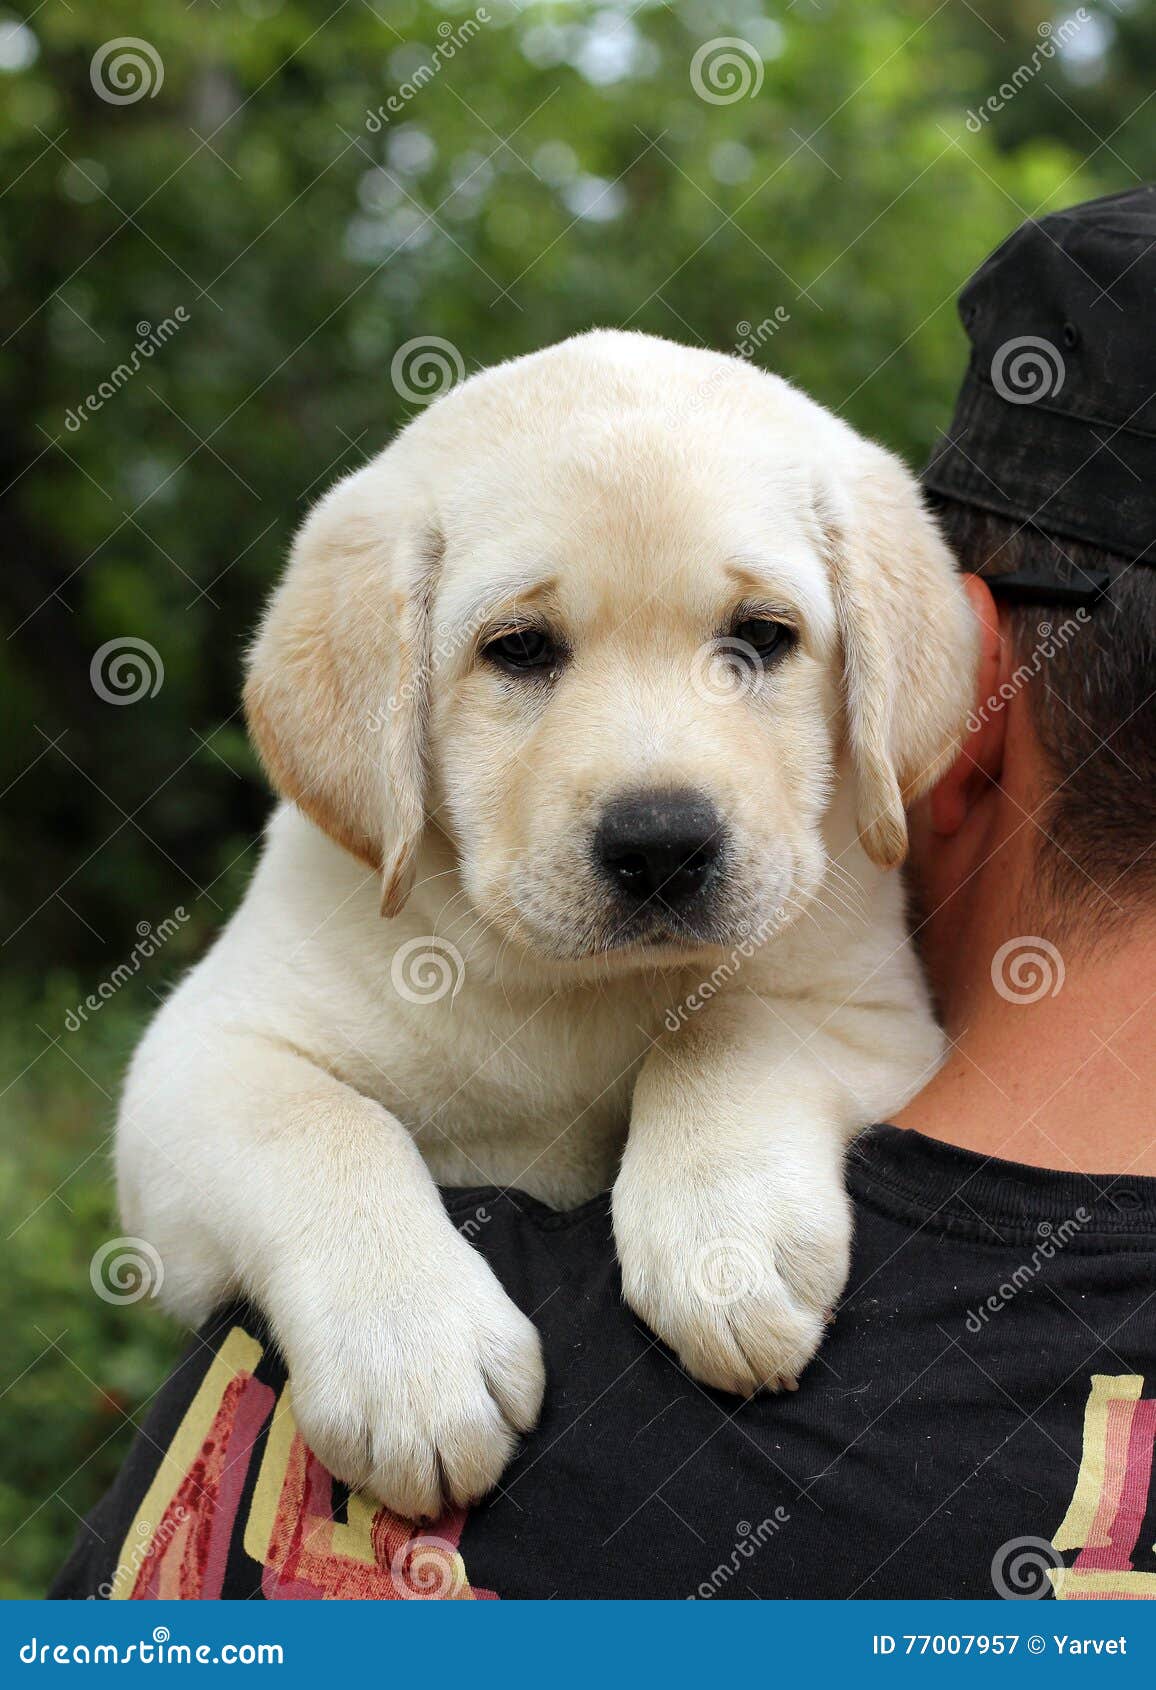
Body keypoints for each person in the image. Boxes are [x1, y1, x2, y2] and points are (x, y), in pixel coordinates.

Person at [51, 185, 1156, 1602]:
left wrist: (733, 1072)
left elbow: (862, 1031)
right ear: (381, 699)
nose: (659, 798)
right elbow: (199, 1102)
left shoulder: (830, 869)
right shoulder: (349, 890)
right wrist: (351, 1247)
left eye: (757, 638)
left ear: (928, 670)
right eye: (523, 649)